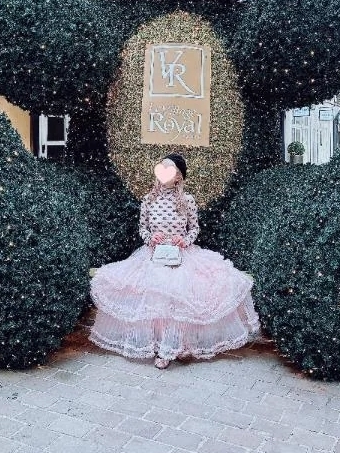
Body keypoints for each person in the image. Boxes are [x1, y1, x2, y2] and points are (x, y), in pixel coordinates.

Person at [89, 154, 261, 368]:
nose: (164, 172)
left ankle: (174, 346)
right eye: (161, 167)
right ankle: (163, 346)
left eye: (169, 169)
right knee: (156, 299)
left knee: (179, 300)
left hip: (182, 255)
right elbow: (142, 228)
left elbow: (195, 228)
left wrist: (185, 240)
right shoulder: (148, 199)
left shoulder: (187, 200)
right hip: (153, 255)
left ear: (178, 176)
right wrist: (150, 238)